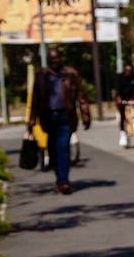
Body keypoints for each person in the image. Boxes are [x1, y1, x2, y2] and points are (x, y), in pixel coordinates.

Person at [28, 46, 91, 195]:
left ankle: (63, 181)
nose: (55, 62)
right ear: (48, 60)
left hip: (65, 116)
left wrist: (86, 115)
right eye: (52, 59)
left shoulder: (70, 74)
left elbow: (81, 96)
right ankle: (59, 178)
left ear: (61, 59)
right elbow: (35, 99)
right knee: (52, 148)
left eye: (57, 58)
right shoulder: (42, 75)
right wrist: (31, 120)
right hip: (48, 117)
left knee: (63, 147)